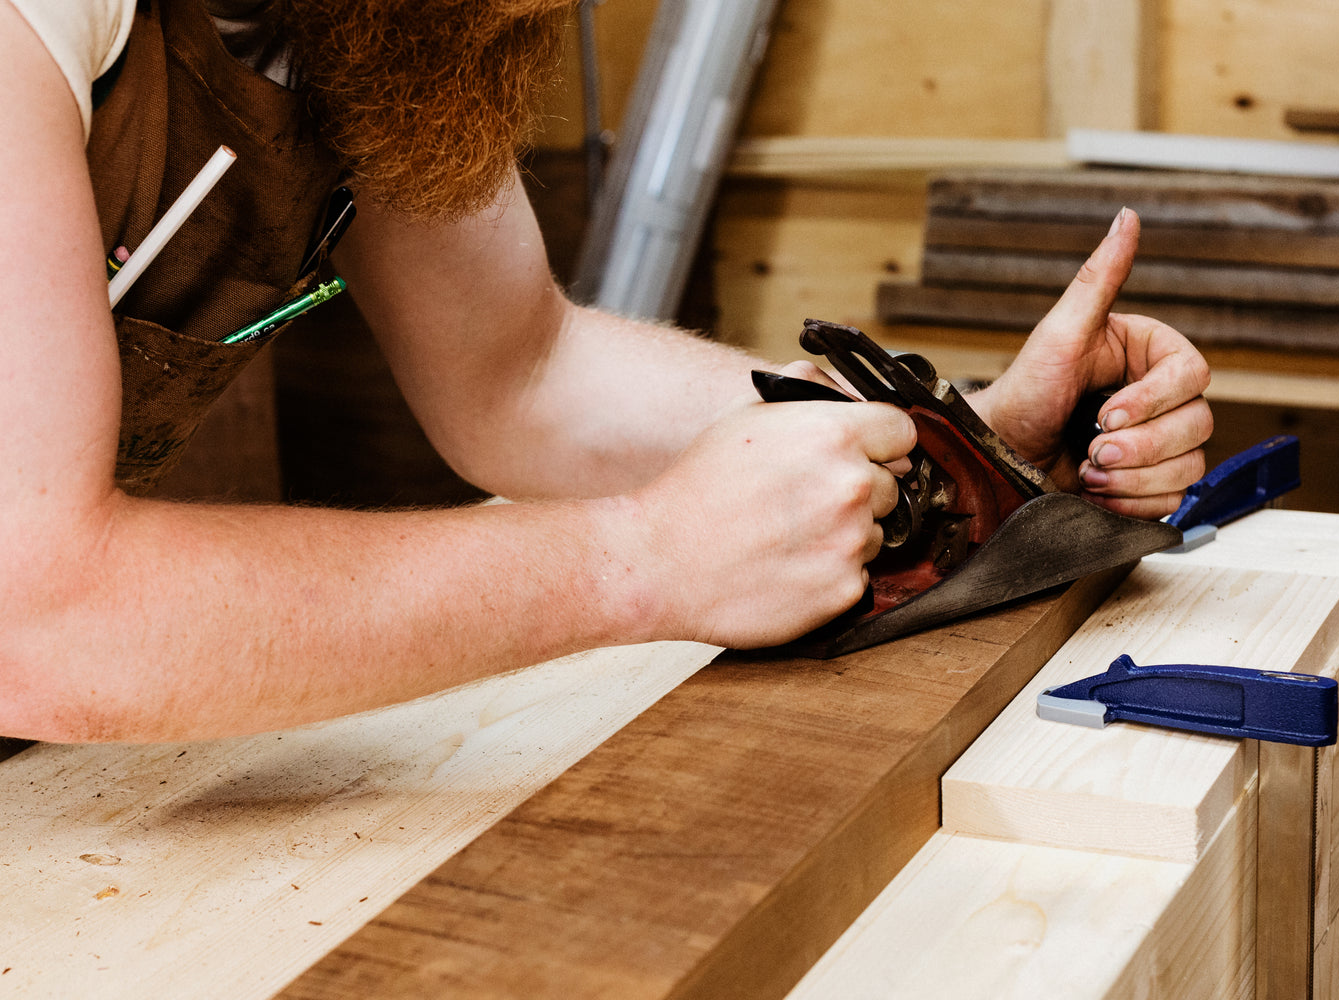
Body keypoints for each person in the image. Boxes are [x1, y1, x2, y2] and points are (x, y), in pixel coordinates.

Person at [0, 0, 1212, 743]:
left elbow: (522, 373)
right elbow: (39, 614)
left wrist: (955, 447)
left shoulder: (366, 24)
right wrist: (640, 560)